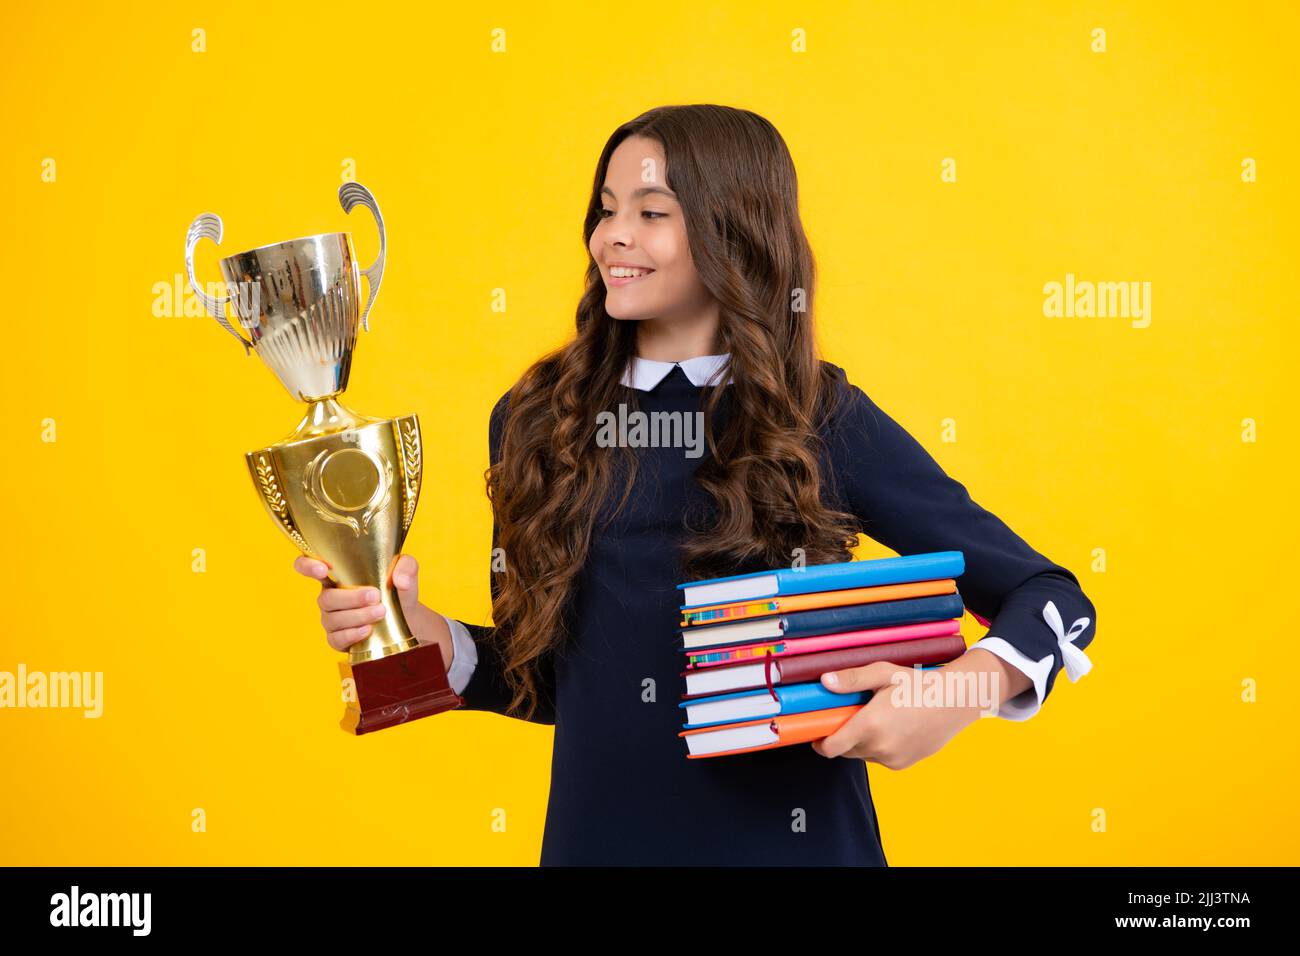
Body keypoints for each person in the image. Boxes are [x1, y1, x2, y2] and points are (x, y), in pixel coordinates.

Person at [294, 104, 1098, 866]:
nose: (614, 236)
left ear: (733, 230)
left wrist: (957, 692)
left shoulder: (816, 413)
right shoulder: (535, 421)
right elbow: (552, 683)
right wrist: (436, 642)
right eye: (607, 209)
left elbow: (1055, 600)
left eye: (651, 211)